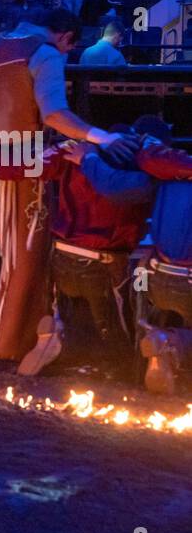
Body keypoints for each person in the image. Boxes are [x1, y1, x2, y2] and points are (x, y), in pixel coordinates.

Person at [0, 9, 138, 361]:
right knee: (25, 256)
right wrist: (101, 137)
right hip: (28, 167)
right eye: (68, 50)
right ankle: (10, 344)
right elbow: (54, 115)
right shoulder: (44, 54)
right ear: (65, 38)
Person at [17, 116, 173, 376]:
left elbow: (18, 167)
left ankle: (57, 334)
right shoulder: (143, 173)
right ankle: (127, 368)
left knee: (72, 311)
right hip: (101, 263)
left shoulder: (72, 152)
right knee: (118, 326)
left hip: (61, 257)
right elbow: (113, 188)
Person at [69, 127, 192, 392]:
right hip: (185, 283)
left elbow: (113, 185)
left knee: (139, 289)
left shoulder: (164, 172)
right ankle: (172, 341)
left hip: (159, 278)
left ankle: (144, 366)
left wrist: (88, 157)